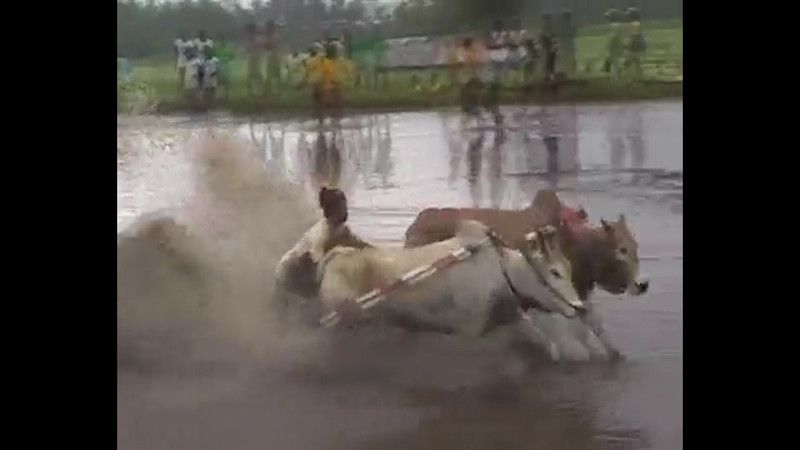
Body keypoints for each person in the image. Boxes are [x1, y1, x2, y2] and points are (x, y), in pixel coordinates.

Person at [213, 34, 236, 99]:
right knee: (219, 80)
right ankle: (218, 95)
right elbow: (214, 56)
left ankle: (227, 94)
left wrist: (227, 59)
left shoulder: (228, 48)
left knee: (226, 80)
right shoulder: (217, 49)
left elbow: (232, 56)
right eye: (220, 40)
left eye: (222, 40)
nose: (221, 42)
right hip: (219, 65)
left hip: (226, 65)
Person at [245, 24, 265, 97]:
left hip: (257, 58)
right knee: (252, 74)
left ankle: (260, 90)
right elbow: (248, 49)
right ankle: (254, 90)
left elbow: (261, 47)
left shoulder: (258, 38)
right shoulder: (250, 39)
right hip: (251, 58)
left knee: (257, 74)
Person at [264, 21, 281, 93]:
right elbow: (267, 46)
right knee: (271, 72)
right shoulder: (269, 36)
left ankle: (275, 88)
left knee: (275, 72)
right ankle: (272, 88)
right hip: (271, 54)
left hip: (274, 54)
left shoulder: (274, 35)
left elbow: (275, 44)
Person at [539, 14, 558, 81]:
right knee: (547, 62)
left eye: (547, 19)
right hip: (547, 48)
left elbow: (553, 38)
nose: (546, 21)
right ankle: (548, 76)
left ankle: (551, 76)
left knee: (550, 62)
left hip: (550, 48)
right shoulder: (545, 28)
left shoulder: (550, 28)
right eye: (546, 20)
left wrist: (554, 46)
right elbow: (542, 38)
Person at [559, 11, 577, 77]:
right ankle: (570, 72)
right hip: (569, 44)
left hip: (565, 44)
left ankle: (567, 72)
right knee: (570, 58)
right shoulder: (571, 26)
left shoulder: (561, 26)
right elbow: (573, 33)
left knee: (565, 58)